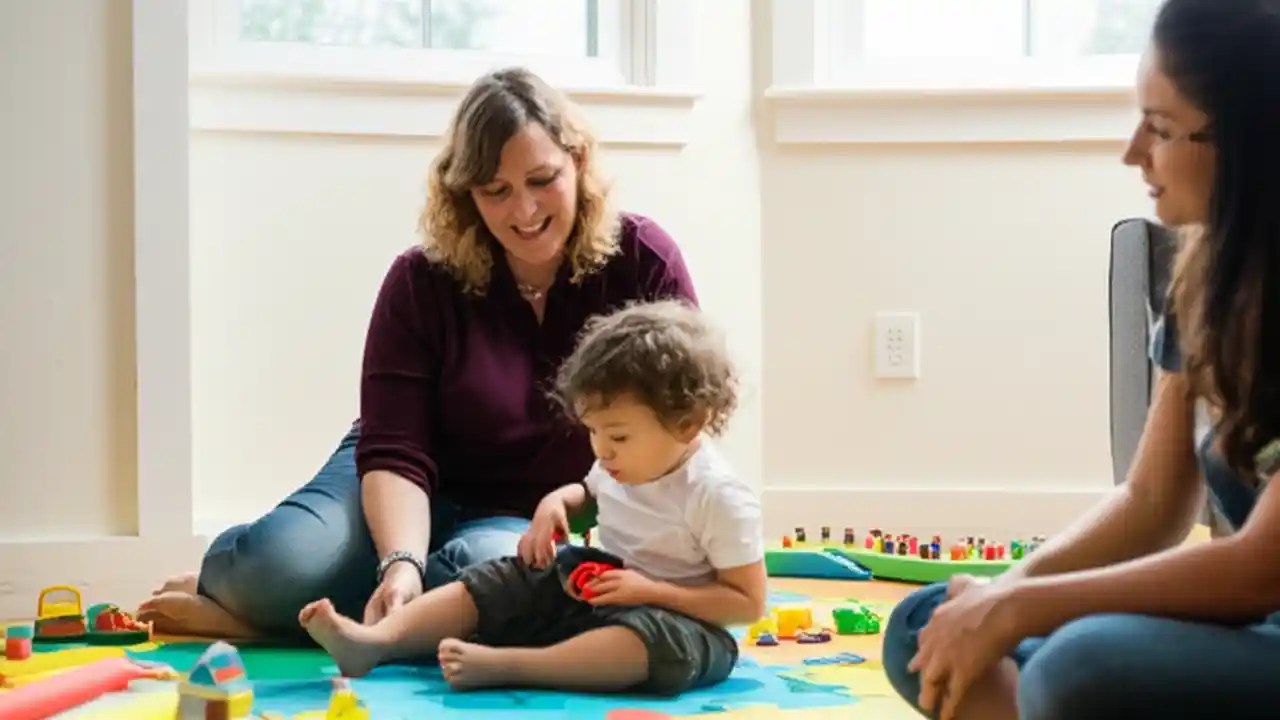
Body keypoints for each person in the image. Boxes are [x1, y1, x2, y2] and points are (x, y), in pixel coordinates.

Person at [138, 67, 700, 639]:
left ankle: (285, 625)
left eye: (542, 179)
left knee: (496, 584)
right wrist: (401, 563)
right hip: (399, 478)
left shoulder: (643, 262)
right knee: (278, 568)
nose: (525, 210)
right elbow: (396, 446)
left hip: (519, 514)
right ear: (466, 193)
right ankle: (279, 599)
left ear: (577, 161)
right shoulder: (419, 279)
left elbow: (678, 425)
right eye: (496, 191)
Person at [881, 1, 1280, 719]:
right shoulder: (1208, 281)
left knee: (1080, 666)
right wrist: (1004, 593)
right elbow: (1151, 504)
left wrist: (1020, 609)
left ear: (1251, 140)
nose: (1133, 152)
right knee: (927, 623)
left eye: (1160, 127)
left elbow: (1259, 568)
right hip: (1254, 629)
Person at [296, 299, 766, 695]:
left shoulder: (717, 496)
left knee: (652, 642)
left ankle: (513, 666)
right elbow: (588, 493)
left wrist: (650, 592)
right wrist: (555, 504)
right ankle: (376, 640)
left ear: (687, 423)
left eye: (618, 437)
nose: (602, 450)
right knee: (510, 576)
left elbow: (747, 602)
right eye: (593, 432)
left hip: (686, 621)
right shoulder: (622, 461)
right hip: (612, 589)